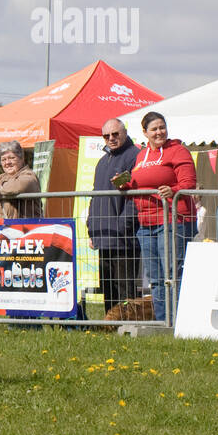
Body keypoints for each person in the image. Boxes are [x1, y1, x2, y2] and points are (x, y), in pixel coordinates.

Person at [113, 112, 197, 322]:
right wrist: (125, 184)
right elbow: (140, 183)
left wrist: (173, 189)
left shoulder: (178, 151)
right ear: (145, 132)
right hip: (146, 223)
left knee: (172, 274)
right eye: (154, 129)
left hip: (173, 220)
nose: (159, 132)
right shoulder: (141, 156)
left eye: (162, 127)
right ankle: (162, 321)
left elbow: (189, 182)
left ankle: (179, 322)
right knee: (156, 279)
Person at [87, 119, 142, 315]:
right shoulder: (102, 162)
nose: (111, 138)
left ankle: (127, 324)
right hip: (104, 234)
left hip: (124, 237)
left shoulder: (135, 156)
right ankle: (110, 322)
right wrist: (92, 228)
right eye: (106, 136)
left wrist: (122, 225)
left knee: (125, 288)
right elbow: (95, 195)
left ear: (125, 132)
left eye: (115, 134)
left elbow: (135, 196)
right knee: (108, 286)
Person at [0, 141, 43, 219]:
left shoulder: (29, 175)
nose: (7, 162)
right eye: (3, 160)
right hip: (1, 229)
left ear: (22, 159)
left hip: (25, 229)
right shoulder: (0, 178)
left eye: (12, 158)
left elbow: (17, 186)